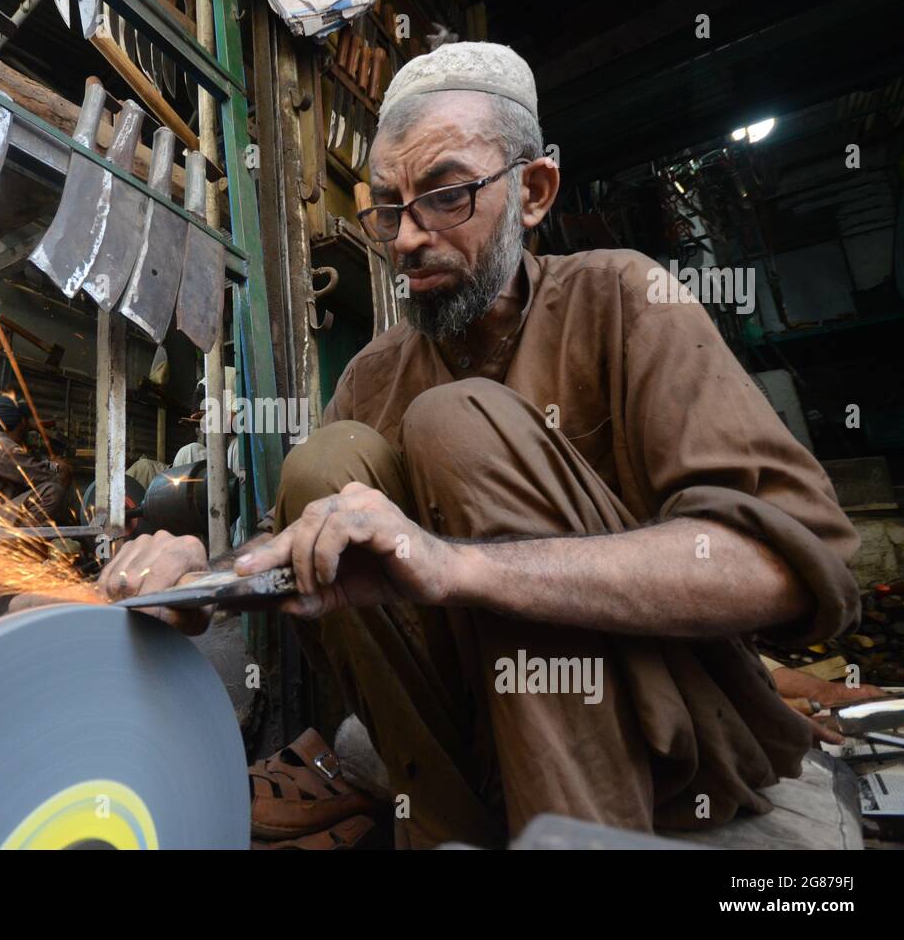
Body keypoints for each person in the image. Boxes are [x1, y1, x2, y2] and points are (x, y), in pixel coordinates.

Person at [98, 42, 861, 848]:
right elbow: (309, 551)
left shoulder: (628, 299)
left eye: (446, 194)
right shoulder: (375, 371)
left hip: (674, 747)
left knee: (456, 423)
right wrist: (201, 575)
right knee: (322, 468)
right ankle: (445, 829)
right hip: (476, 751)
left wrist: (461, 566)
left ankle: (576, 832)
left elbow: (794, 561)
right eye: (389, 207)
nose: (406, 237)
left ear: (533, 192)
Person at [0, 395, 71, 525]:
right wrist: (59, 466)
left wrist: (51, 463)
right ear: (22, 422)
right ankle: (24, 541)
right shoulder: (2, 446)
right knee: (52, 491)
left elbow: (35, 466)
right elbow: (47, 477)